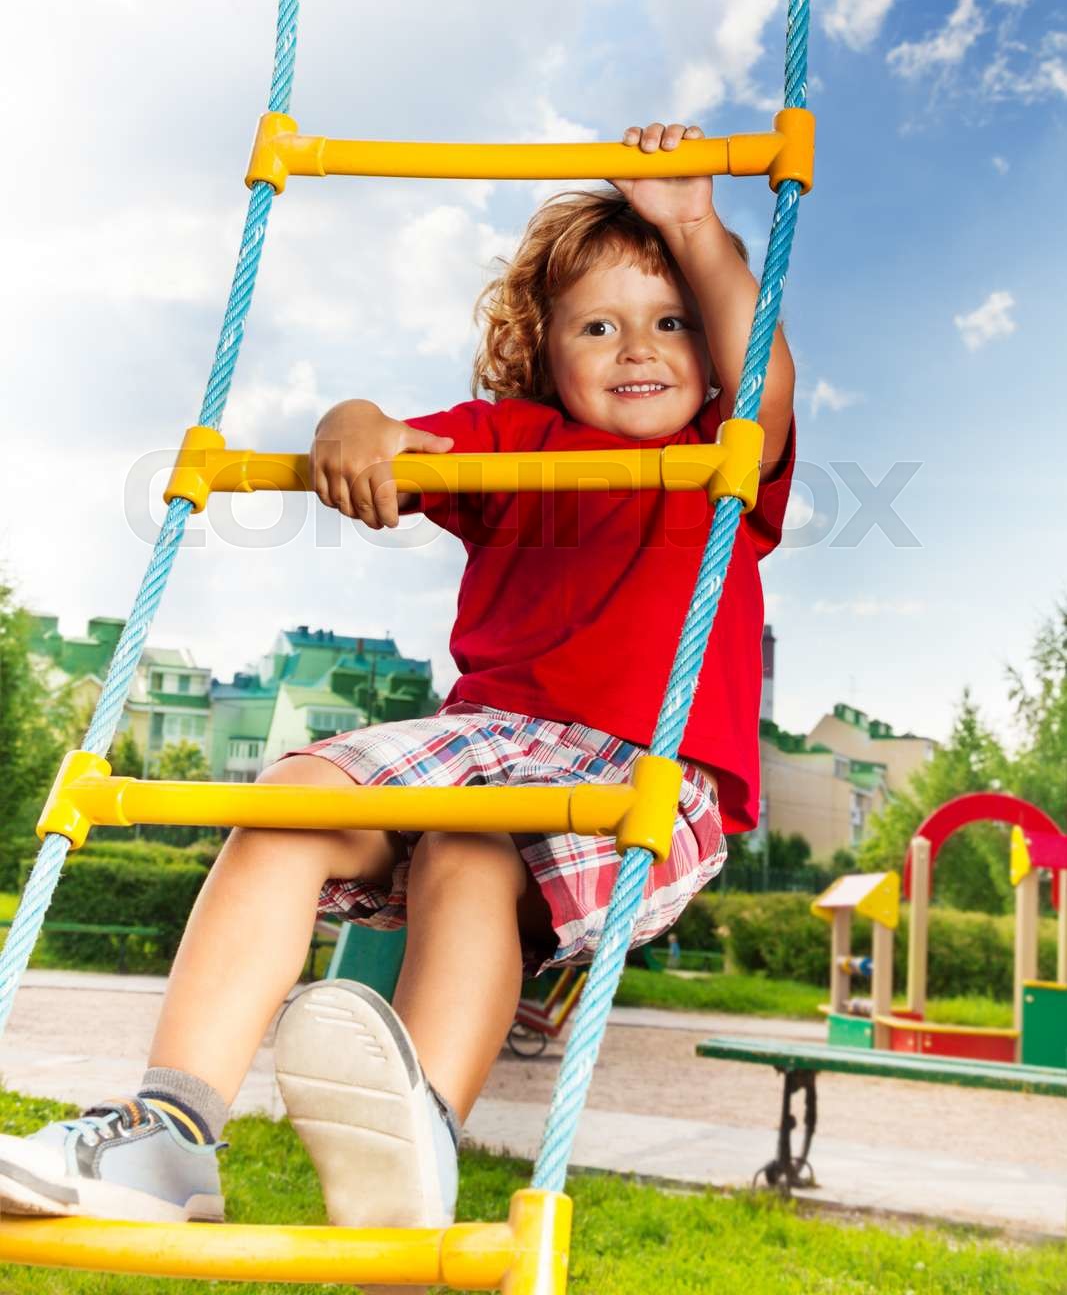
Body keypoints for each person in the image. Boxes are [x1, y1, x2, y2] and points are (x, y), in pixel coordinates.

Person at [0, 121, 796, 1230]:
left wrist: (696, 227)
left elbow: (762, 359)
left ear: (710, 353)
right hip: (484, 735)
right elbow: (396, 438)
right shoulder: (512, 439)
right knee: (290, 799)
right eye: (597, 326)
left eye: (668, 324)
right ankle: (170, 1135)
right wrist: (353, 424)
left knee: (473, 854)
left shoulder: (722, 458)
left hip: (641, 771)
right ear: (545, 353)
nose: (635, 348)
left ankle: (413, 1129)